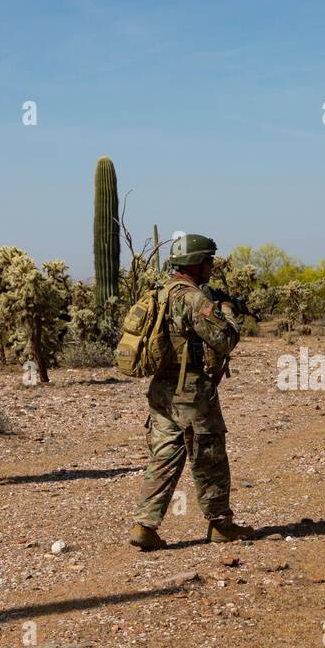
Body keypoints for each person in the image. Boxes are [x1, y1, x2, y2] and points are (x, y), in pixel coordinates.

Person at [129, 234, 256, 549]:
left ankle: (145, 526)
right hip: (191, 390)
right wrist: (226, 310)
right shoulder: (193, 299)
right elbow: (225, 340)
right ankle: (221, 524)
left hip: (162, 389)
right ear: (197, 263)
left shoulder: (161, 292)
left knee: (165, 455)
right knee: (209, 455)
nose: (212, 266)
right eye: (209, 261)